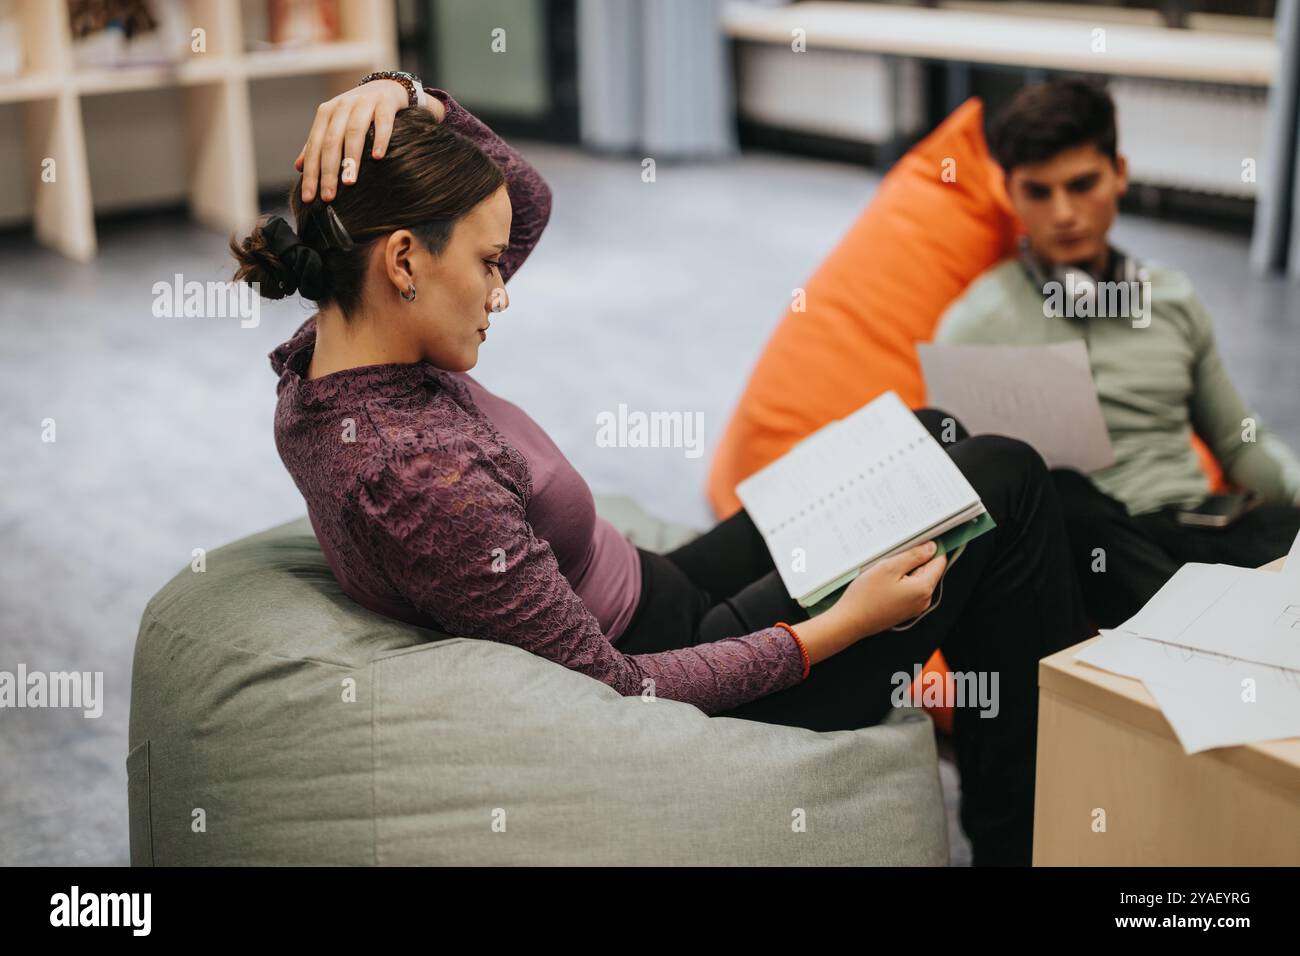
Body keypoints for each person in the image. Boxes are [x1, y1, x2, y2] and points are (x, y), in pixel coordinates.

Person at [230, 74, 1089, 865]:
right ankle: (1022, 839)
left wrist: (410, 97)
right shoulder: (415, 474)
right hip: (702, 665)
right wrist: (844, 625)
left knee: (928, 435)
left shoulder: (338, 351)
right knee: (1007, 477)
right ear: (405, 260)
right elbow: (619, 686)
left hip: (660, 588)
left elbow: (516, 202)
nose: (503, 289)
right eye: (490, 266)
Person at [935, 77, 1300, 629]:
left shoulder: (1171, 298)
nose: (1064, 213)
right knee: (1066, 495)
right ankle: (1209, 629)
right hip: (1078, 551)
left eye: (1083, 184)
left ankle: (1206, 628)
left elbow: (1237, 438)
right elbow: (968, 499)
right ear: (1009, 193)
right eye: (1039, 191)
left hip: (1190, 534)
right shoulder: (974, 324)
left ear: (1119, 174)